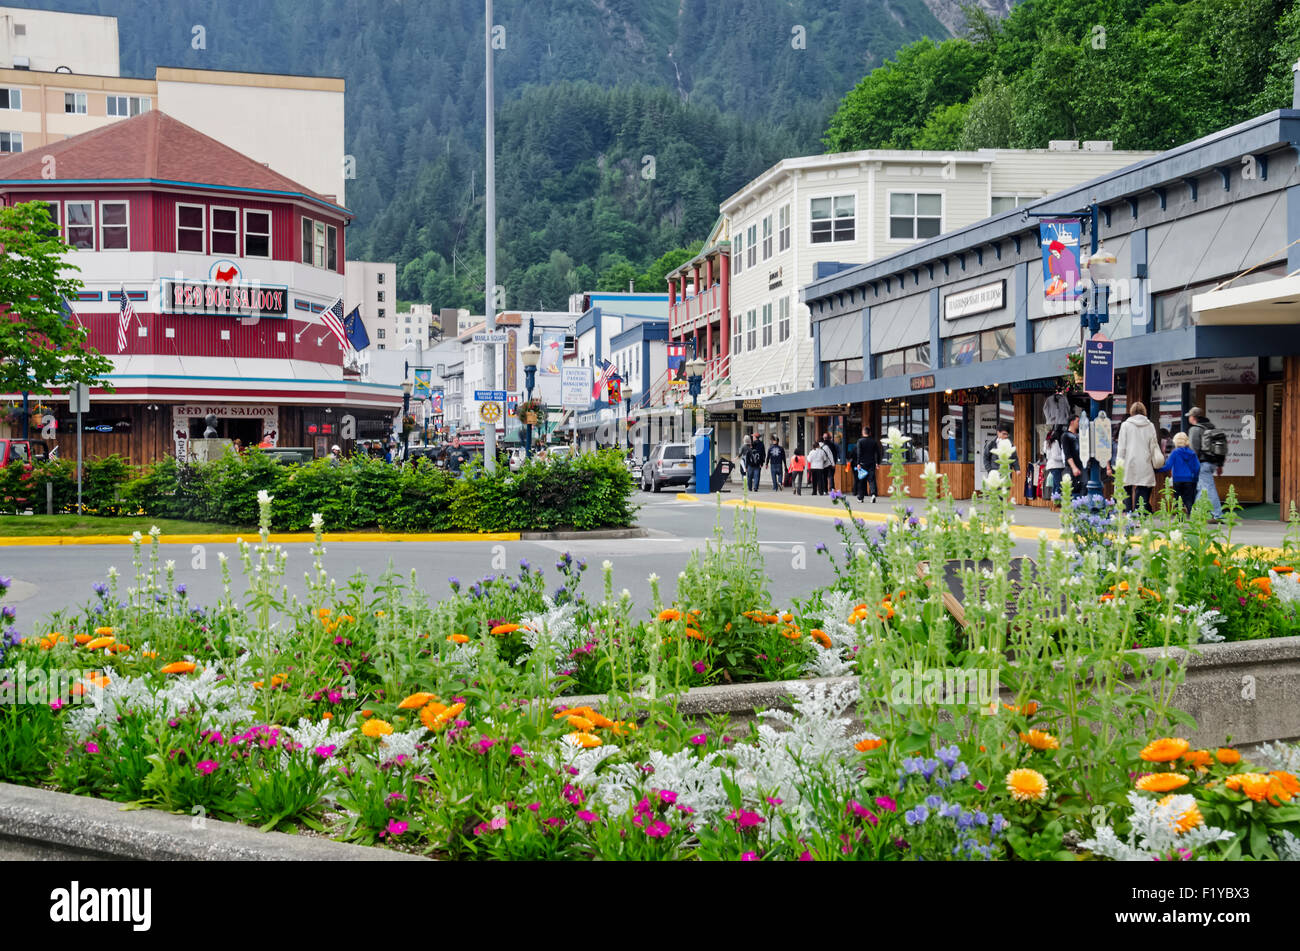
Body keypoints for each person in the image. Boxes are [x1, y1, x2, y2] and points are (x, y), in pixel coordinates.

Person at [1114, 401, 1161, 513]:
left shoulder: (1125, 425)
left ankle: (1129, 515)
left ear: (1132, 412)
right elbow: (1153, 445)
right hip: (1145, 463)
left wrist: (1118, 465)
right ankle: (1140, 516)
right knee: (1143, 491)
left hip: (1128, 462)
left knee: (1126, 490)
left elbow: (1121, 448)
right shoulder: (1150, 425)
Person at [1186, 406, 1225, 522]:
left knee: (1208, 488)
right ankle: (1196, 514)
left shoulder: (1195, 430)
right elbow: (1220, 446)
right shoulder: (1212, 427)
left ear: (1193, 417)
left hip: (1202, 463)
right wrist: (1220, 465)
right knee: (1201, 488)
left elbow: (1194, 450)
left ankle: (1218, 514)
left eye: (1189, 416)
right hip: (1212, 463)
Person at [1158, 431, 1201, 515]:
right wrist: (1194, 478)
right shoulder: (1192, 453)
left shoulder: (1175, 452)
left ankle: (1180, 520)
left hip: (1177, 480)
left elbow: (1168, 466)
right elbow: (1197, 467)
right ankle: (1193, 519)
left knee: (1178, 500)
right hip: (1190, 481)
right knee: (1189, 500)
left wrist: (1156, 470)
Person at [851, 427, 881, 503]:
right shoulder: (874, 442)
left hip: (862, 464)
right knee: (872, 479)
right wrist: (877, 462)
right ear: (869, 433)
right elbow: (877, 452)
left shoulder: (860, 441)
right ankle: (873, 494)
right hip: (871, 463)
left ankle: (861, 497)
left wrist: (858, 463)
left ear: (863, 432)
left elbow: (859, 453)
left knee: (861, 480)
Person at [1061, 414, 1085, 489]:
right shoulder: (1066, 435)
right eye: (1078, 421)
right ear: (1072, 422)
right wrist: (1074, 467)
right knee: (1072, 490)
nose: (1079, 423)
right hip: (1071, 468)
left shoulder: (1079, 435)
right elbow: (1067, 453)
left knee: (1084, 488)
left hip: (1081, 466)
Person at [1043, 425, 1065, 503]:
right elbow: (1055, 456)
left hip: (1052, 466)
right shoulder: (1055, 443)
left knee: (1056, 485)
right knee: (1058, 485)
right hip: (1056, 465)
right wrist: (1064, 458)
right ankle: (1056, 502)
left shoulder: (1048, 443)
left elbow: (1046, 454)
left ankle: (1054, 502)